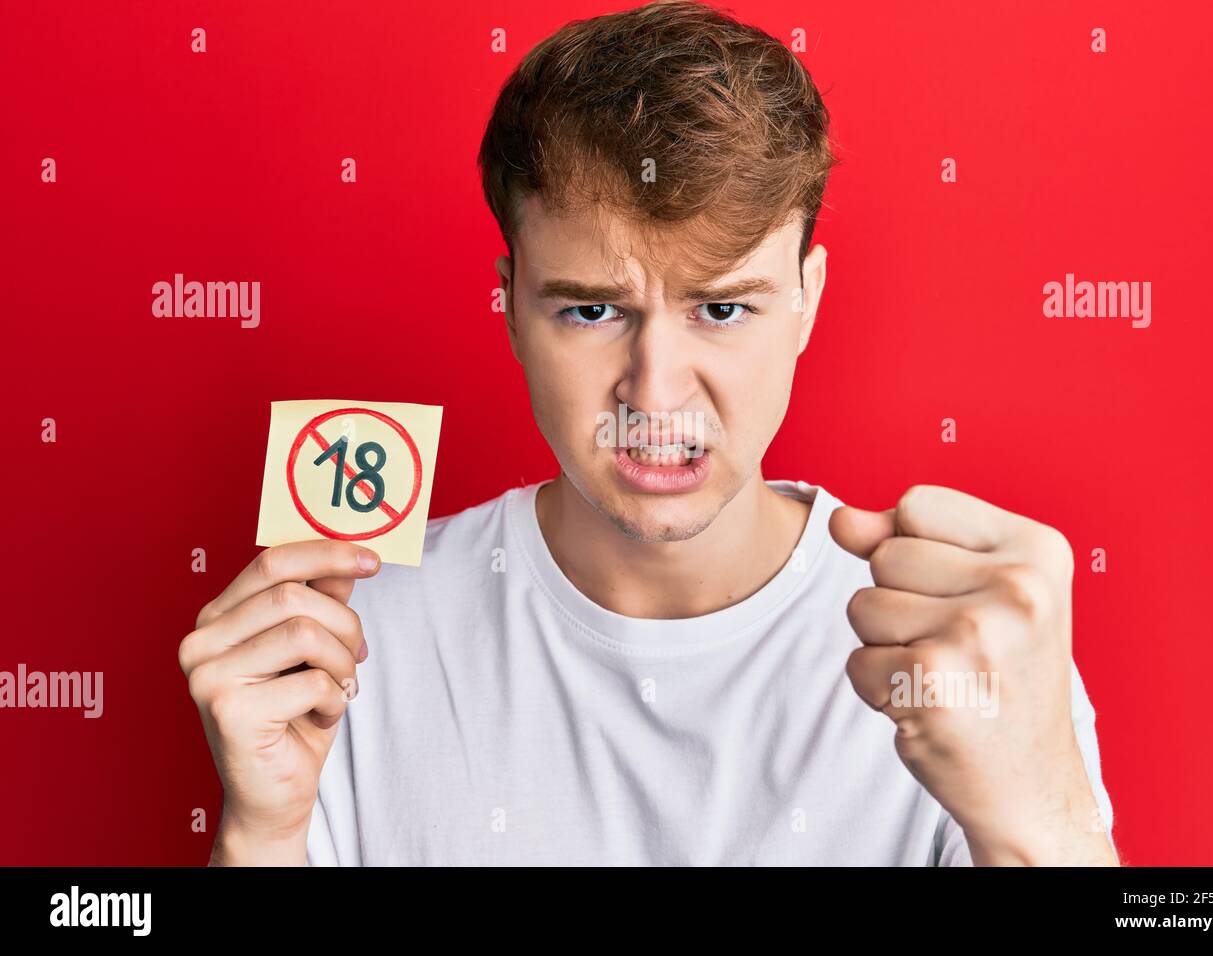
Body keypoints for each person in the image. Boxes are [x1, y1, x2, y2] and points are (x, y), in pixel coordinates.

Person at [180, 0, 1118, 866]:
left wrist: (1045, 821)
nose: (655, 391)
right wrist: (261, 833)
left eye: (722, 308)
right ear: (508, 308)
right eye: (591, 310)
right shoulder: (353, 638)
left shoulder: (965, 649)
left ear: (807, 304)